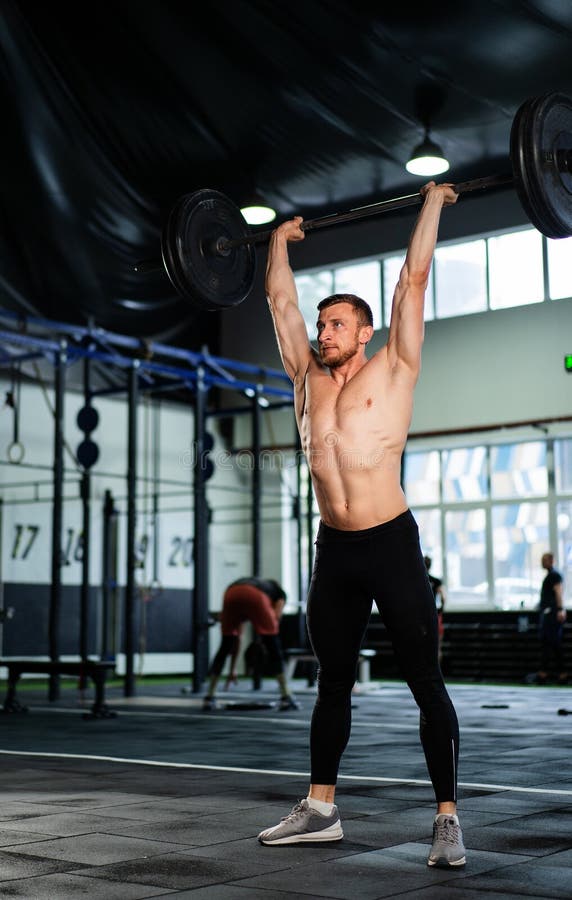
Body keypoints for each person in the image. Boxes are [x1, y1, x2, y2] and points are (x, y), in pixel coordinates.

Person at [257, 181, 465, 868]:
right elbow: (278, 302)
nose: (323, 334)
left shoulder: (396, 367)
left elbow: (415, 277)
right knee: (333, 680)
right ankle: (320, 808)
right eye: (322, 327)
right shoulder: (304, 379)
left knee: (423, 679)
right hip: (335, 551)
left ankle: (446, 819)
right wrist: (275, 243)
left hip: (391, 544)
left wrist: (432, 201)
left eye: (337, 324)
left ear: (365, 330)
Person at [202, 576, 299, 711]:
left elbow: (236, 638)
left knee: (225, 644)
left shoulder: (256, 584)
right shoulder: (280, 595)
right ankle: (286, 696)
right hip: (255, 596)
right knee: (273, 646)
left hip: (231, 593)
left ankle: (209, 696)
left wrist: (232, 669)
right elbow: (276, 618)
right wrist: (267, 638)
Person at [537, 552, 567, 685]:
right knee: (546, 644)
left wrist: (560, 610)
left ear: (551, 561)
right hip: (548, 614)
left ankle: (562, 674)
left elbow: (558, 592)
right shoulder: (550, 576)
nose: (542, 562)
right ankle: (544, 673)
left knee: (554, 644)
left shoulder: (555, 576)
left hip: (553, 615)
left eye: (544, 560)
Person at [424, 555, 447, 665]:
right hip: (434, 615)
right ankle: (437, 674)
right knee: (437, 647)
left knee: (422, 646)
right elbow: (443, 598)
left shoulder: (419, 581)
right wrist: (440, 610)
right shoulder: (436, 581)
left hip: (422, 616)